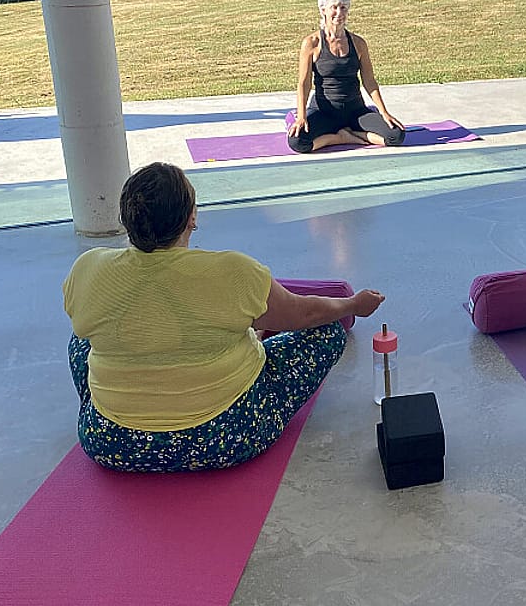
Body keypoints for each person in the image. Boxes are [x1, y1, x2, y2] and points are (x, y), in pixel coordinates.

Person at [63, 162, 386, 472]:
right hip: (226, 437)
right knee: (326, 331)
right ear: (191, 218)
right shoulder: (233, 272)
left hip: (112, 443)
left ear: (126, 218)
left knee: (82, 339)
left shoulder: (88, 268)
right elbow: (306, 313)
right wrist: (352, 306)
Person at [287, 0, 405, 153]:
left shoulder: (358, 43)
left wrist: (384, 112)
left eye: (343, 8)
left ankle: (354, 135)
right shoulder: (312, 43)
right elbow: (303, 83)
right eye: (334, 8)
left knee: (396, 135)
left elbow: (369, 81)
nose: (339, 13)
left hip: (355, 112)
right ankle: (338, 138)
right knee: (297, 142)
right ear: (323, 10)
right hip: (325, 112)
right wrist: (301, 116)